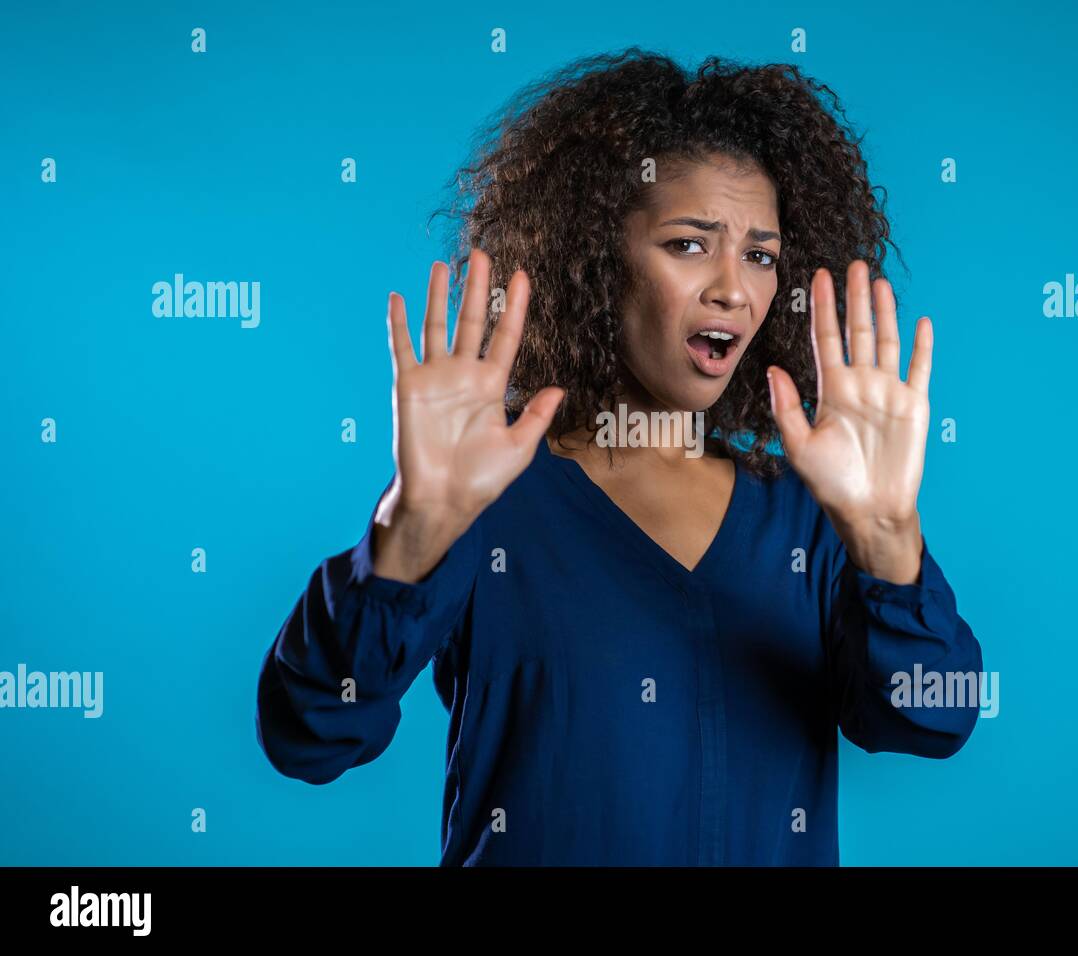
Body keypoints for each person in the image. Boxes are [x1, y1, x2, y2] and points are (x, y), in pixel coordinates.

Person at [255, 48, 983, 866]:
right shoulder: (486, 494)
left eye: (761, 255)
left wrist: (889, 538)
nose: (733, 291)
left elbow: (934, 718)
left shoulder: (808, 517)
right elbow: (307, 735)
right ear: (599, 261)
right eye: (688, 245)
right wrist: (409, 535)